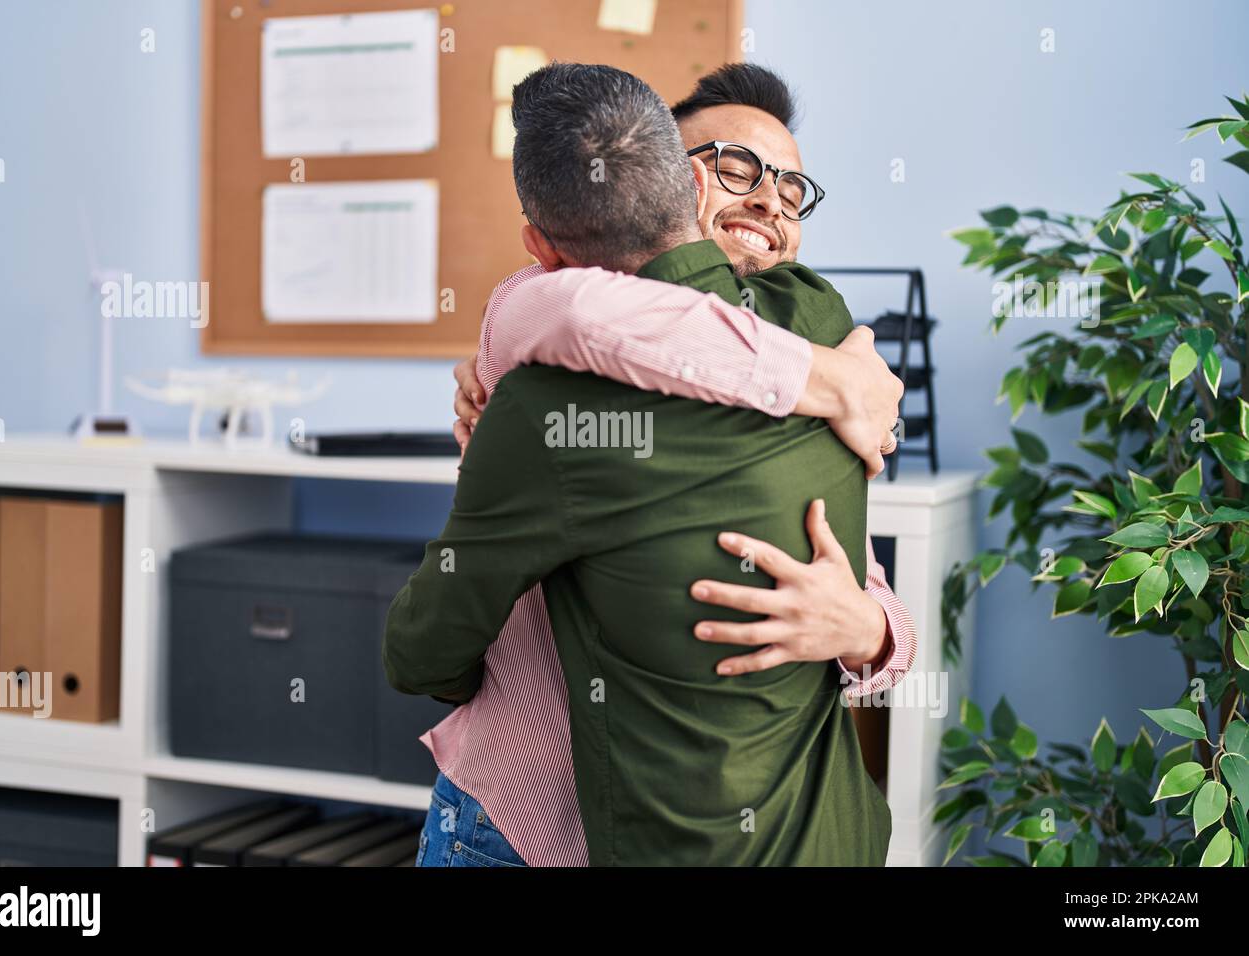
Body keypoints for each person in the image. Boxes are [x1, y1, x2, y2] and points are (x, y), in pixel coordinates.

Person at [385, 63, 905, 865]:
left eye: (794, 189)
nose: (771, 198)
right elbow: (570, 306)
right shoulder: (551, 339)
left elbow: (862, 584)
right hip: (532, 811)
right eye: (736, 166)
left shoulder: (824, 357)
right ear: (673, 178)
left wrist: (866, 631)